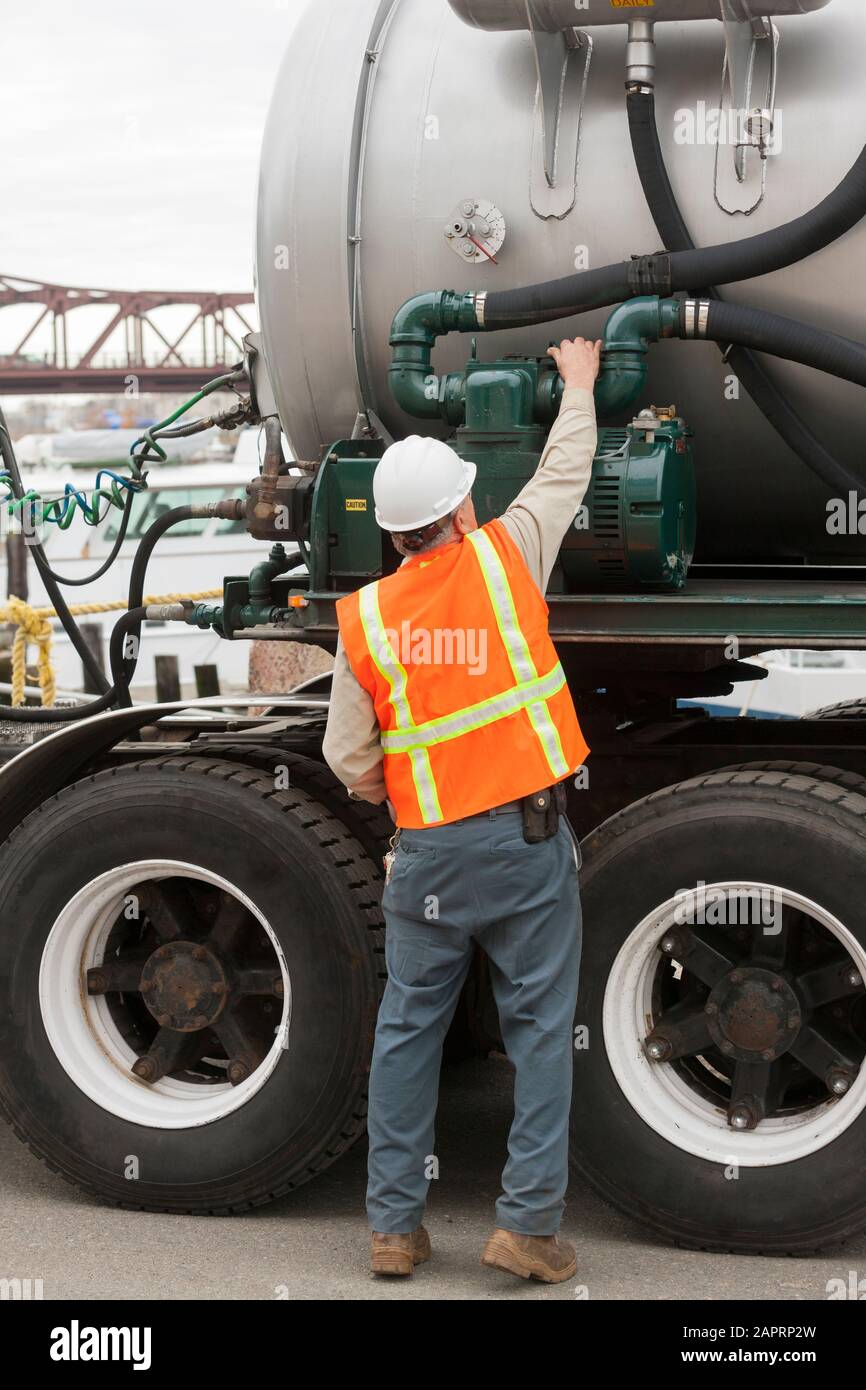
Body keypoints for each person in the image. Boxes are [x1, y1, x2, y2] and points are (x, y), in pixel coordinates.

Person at [323, 337, 601, 1284]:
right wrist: (578, 388)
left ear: (392, 534)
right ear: (462, 509)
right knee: (538, 1031)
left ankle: (393, 1230)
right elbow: (564, 477)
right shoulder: (506, 558)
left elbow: (346, 760)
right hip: (525, 844)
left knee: (409, 1031)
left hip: (429, 857)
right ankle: (526, 1229)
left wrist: (407, 790)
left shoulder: (362, 618)